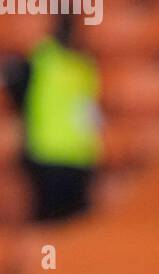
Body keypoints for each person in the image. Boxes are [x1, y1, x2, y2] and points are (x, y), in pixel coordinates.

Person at [19, 15, 101, 222]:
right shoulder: (40, 59)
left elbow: (90, 109)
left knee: (76, 226)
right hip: (48, 155)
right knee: (50, 222)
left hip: (79, 156)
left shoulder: (85, 65)